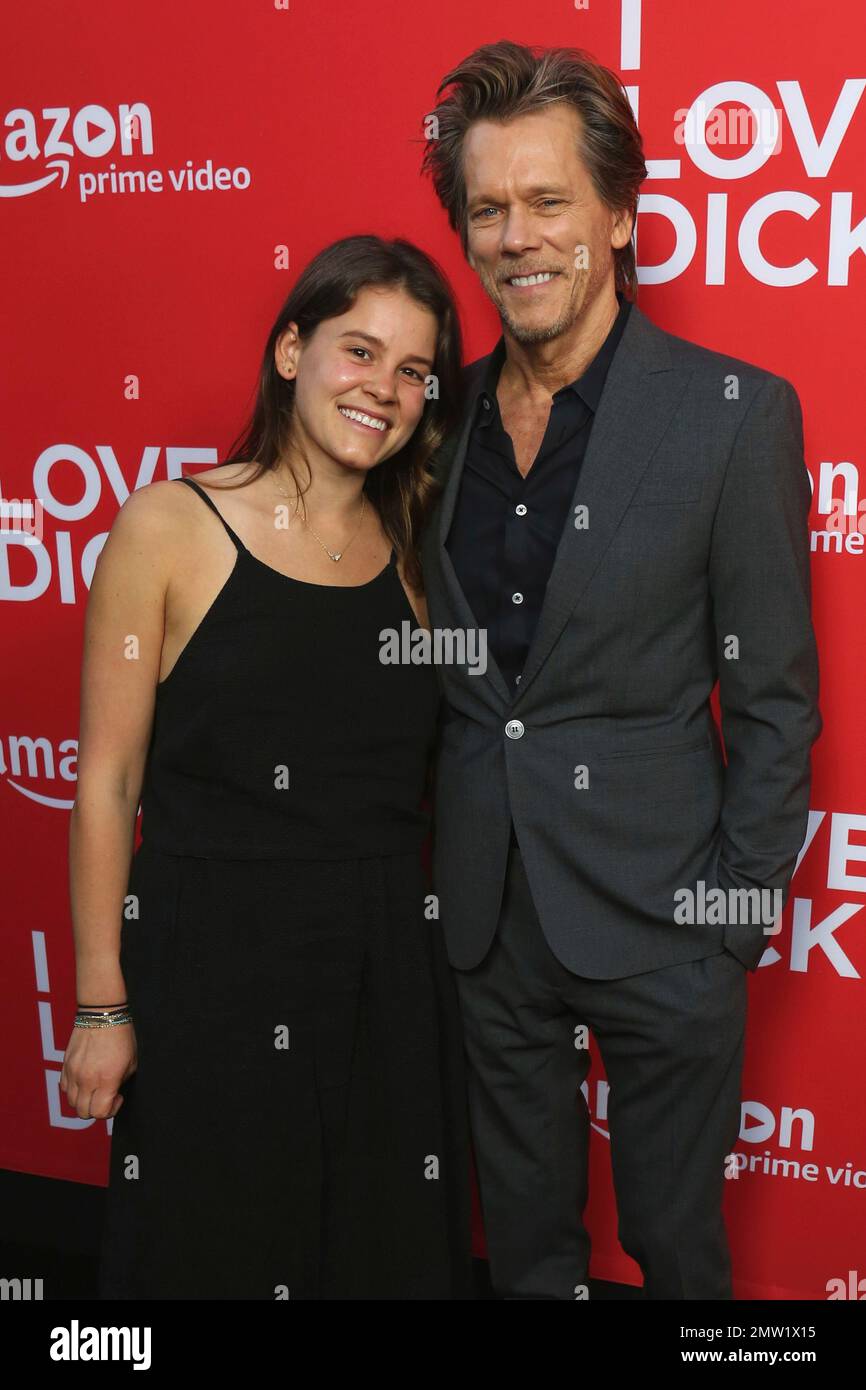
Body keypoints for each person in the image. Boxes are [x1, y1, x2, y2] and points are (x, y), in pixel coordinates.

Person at [419, 41, 822, 1299]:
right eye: (487, 209)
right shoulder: (440, 417)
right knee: (525, 1251)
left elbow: (771, 697)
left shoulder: (734, 414)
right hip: (488, 914)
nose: (515, 236)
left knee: (677, 1255)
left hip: (667, 924)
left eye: (546, 202)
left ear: (618, 216)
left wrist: (732, 921)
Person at [62, 234, 474, 1299]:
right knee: (212, 1252)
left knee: (381, 1255)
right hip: (211, 961)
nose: (382, 390)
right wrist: (103, 1007)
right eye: (357, 351)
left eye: (413, 372)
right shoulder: (167, 525)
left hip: (387, 965)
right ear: (291, 350)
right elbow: (106, 783)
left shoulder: (423, 552)